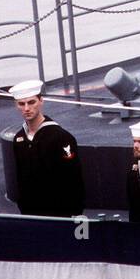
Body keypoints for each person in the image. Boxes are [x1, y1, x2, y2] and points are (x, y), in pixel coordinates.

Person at [10, 80, 84, 217]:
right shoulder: (19, 139)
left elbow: (73, 178)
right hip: (31, 212)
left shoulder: (60, 137)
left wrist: (75, 212)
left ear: (41, 101)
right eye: (21, 104)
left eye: (31, 102)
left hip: (59, 212)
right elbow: (20, 177)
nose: (26, 108)